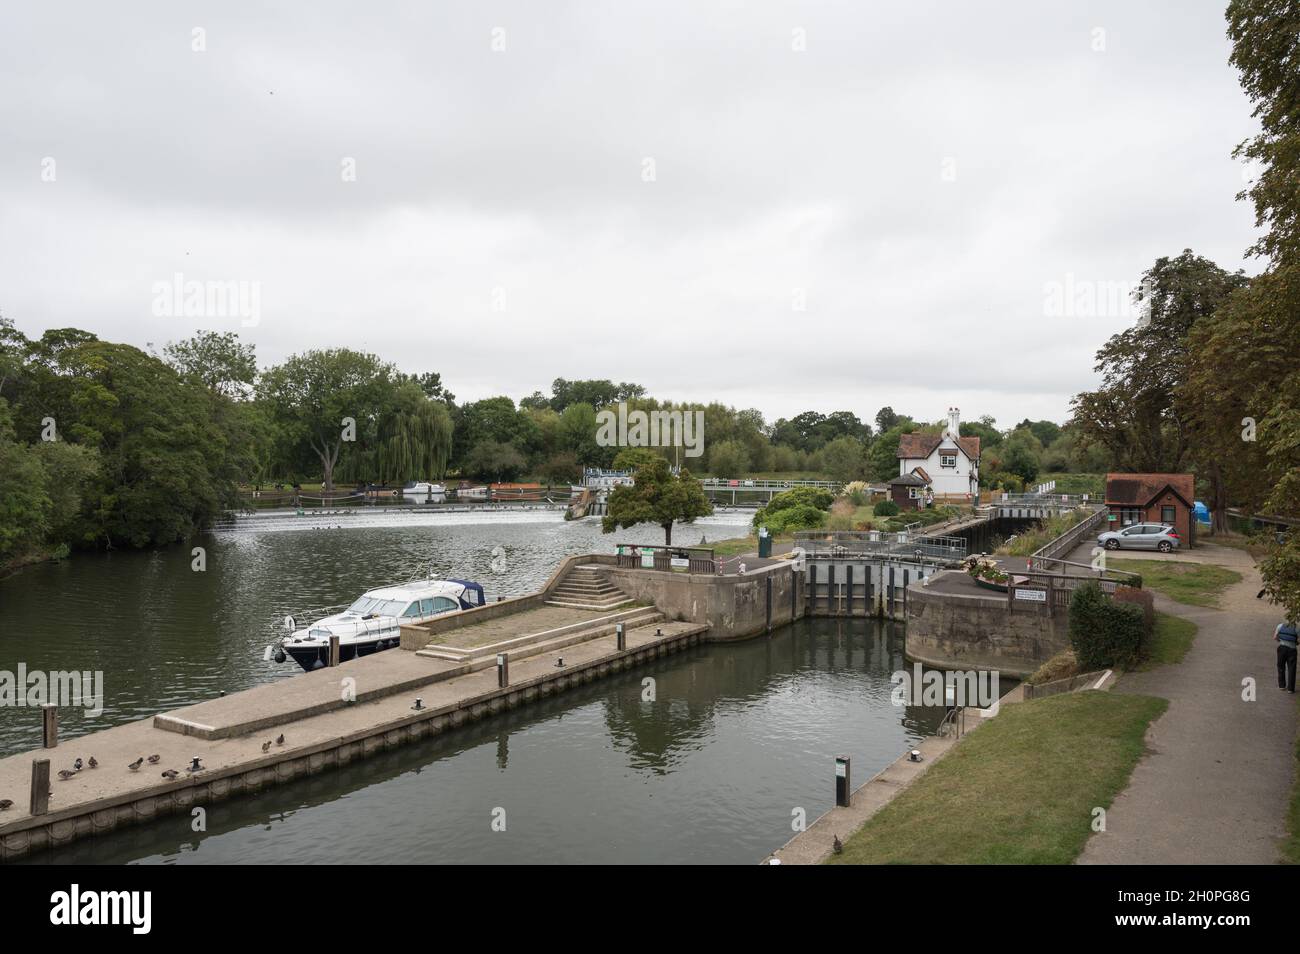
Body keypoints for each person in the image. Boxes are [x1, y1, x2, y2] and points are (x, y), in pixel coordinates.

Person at [1277, 619, 1298, 693]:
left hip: (1282, 648)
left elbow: (1275, 637)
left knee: (1281, 666)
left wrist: (1280, 641)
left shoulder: (1280, 626)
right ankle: (1290, 689)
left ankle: (1282, 686)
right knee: (1292, 669)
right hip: (1292, 650)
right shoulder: (1296, 628)